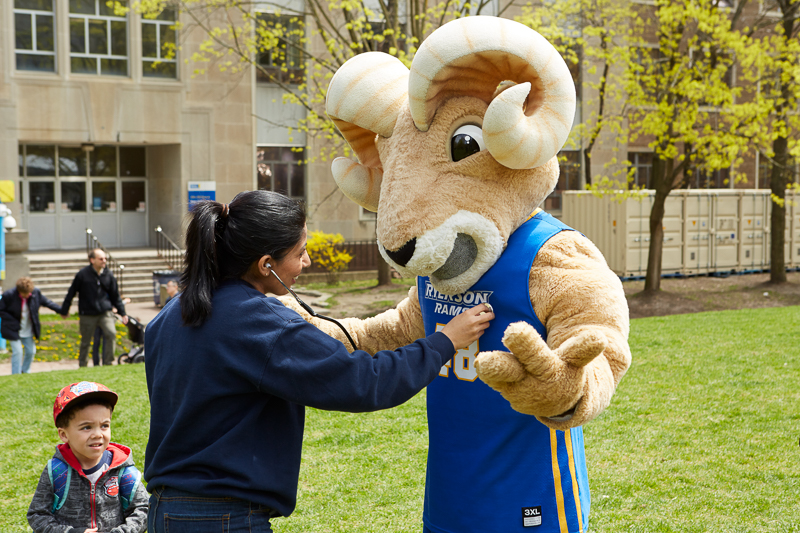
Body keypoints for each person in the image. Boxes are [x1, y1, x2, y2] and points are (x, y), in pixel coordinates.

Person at [144, 190, 494, 532]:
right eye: (300, 252)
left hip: (165, 511)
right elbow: (365, 382)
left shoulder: (173, 313)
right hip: (222, 517)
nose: (307, 262)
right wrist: (445, 341)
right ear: (267, 265)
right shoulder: (260, 324)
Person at [27, 381, 149, 533]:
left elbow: (144, 510)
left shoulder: (123, 471)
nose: (98, 434)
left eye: (104, 425)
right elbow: (37, 515)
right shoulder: (57, 471)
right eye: (86, 427)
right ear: (64, 435)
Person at [60, 249, 129, 367]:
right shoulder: (82, 275)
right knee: (86, 340)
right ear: (92, 260)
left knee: (111, 333)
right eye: (101, 259)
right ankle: (83, 364)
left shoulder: (108, 274)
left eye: (105, 258)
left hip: (105, 311)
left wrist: (123, 313)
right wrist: (65, 310)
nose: (104, 261)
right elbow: (71, 292)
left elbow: (115, 295)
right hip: (87, 313)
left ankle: (108, 362)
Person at [0, 277, 62, 374]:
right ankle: (16, 374)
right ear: (19, 291)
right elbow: (1, 310)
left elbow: (47, 302)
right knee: (18, 352)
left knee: (31, 351)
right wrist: (12, 321)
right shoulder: (9, 295)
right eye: (25, 293)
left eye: (29, 292)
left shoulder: (35, 293)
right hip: (12, 328)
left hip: (27, 328)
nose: (28, 295)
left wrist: (61, 310)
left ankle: (25, 371)